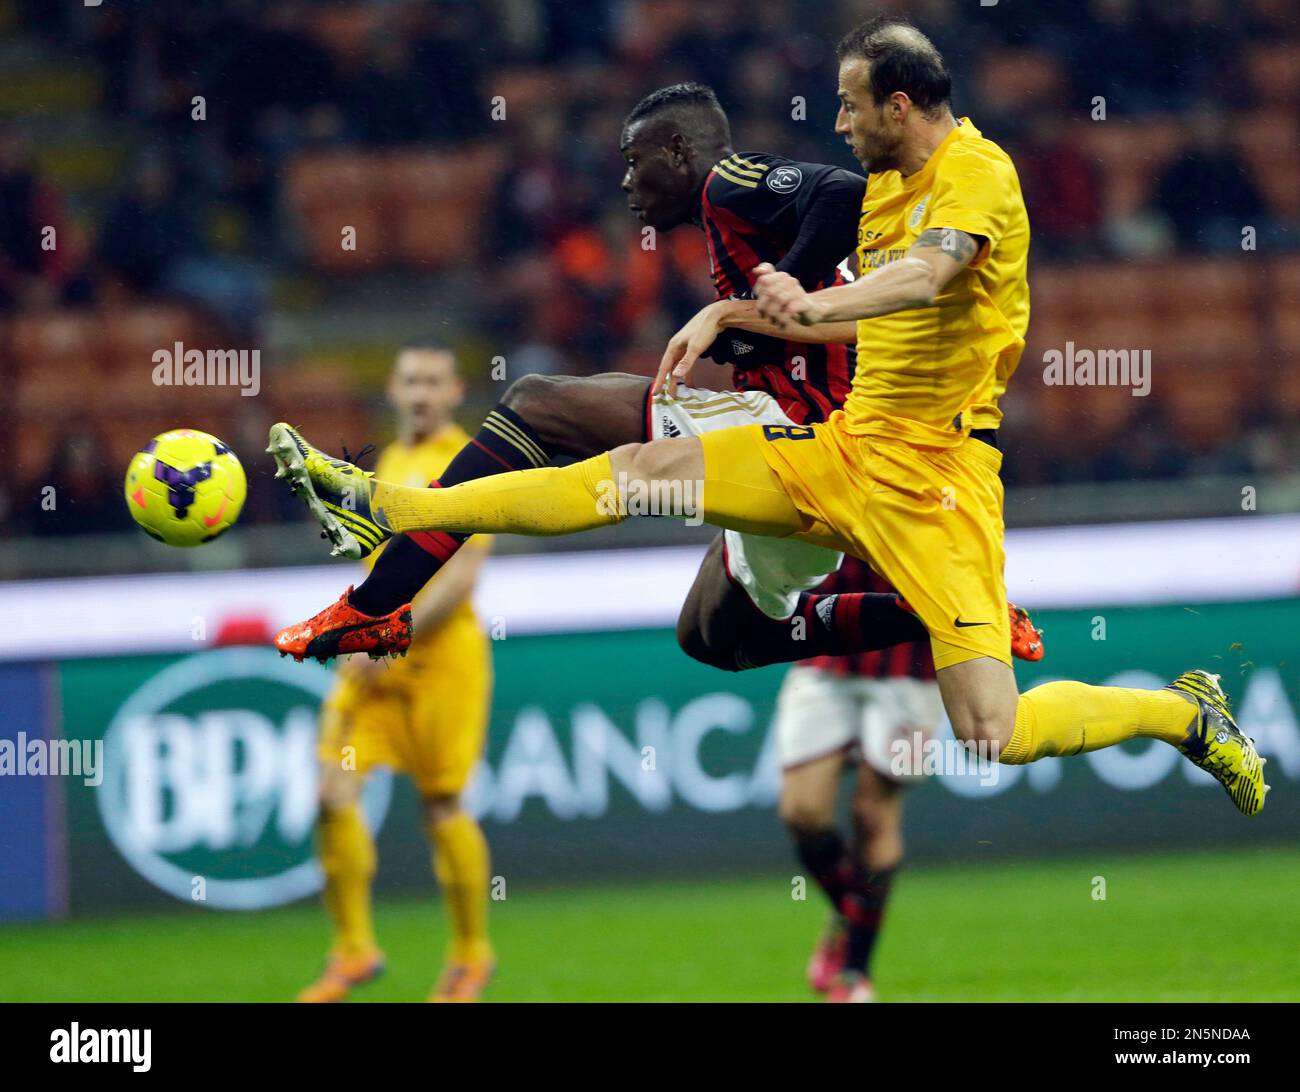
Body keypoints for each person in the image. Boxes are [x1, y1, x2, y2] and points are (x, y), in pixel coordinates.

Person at [267, 19, 1267, 817]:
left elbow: (931, 274)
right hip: (844, 447)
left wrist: (806, 304)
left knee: (987, 732)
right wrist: (732, 310)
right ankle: (385, 506)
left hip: (941, 485)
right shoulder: (880, 190)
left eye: (847, 106)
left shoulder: (977, 175)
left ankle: (1182, 716)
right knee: (639, 476)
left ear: (899, 104)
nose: (835, 122)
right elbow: (839, 268)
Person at [273, 83, 1042, 671]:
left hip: (821, 445)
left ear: (678, 150)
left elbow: (841, 194)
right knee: (713, 637)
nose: (625, 181)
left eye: (634, 160)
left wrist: (774, 304)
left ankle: (377, 591)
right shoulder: (720, 220)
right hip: (786, 424)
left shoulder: (728, 182)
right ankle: (946, 610)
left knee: (541, 407)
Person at [296, 340, 496, 1004]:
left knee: (441, 806)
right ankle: (352, 950)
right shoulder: (391, 461)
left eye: (432, 382)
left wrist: (383, 639)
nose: (419, 393)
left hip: (440, 662)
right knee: (332, 794)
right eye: (409, 380)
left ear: (455, 391)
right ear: (391, 389)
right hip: (370, 658)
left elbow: (459, 578)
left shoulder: (473, 464)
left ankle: (470, 956)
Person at [775, 557, 942, 1004]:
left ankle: (855, 973)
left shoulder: (948, 488)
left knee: (873, 814)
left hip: (911, 664)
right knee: (802, 812)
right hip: (826, 651)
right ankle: (852, 914)